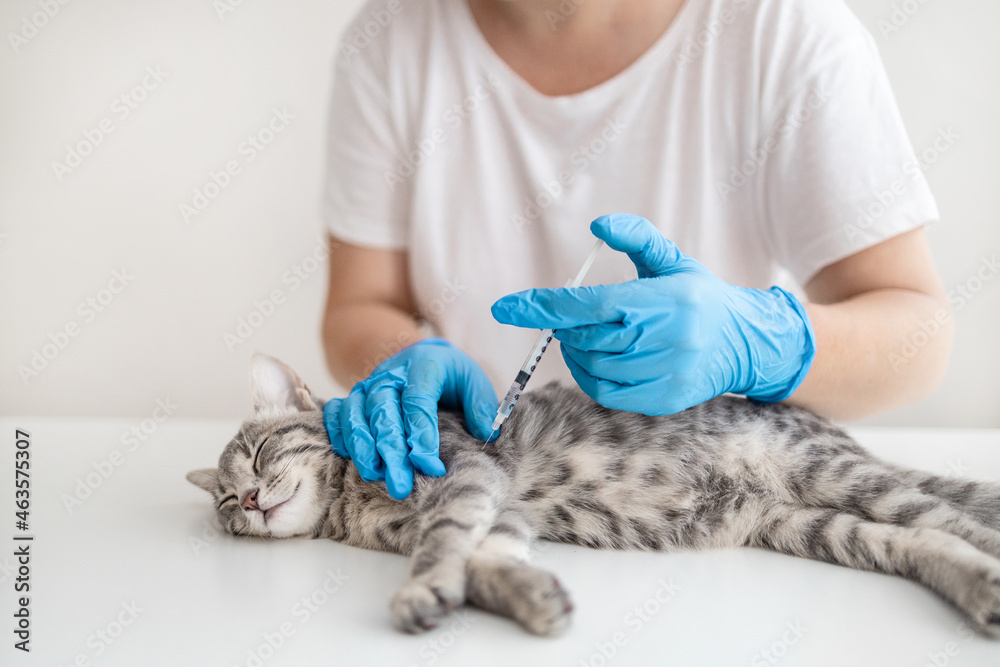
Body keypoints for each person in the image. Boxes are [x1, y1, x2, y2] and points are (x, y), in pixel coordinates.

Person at [319, 0, 953, 500]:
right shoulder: (389, 40)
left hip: (712, 499)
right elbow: (360, 303)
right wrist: (406, 358)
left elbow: (919, 340)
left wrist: (760, 340)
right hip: (496, 489)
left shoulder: (785, 29)